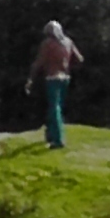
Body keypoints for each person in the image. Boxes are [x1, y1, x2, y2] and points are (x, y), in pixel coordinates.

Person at [28, 20, 84, 149]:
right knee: (56, 107)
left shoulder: (48, 43)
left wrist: (31, 78)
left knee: (54, 108)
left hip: (52, 77)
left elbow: (39, 62)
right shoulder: (68, 42)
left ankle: (58, 140)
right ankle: (50, 134)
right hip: (65, 78)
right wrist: (67, 65)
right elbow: (80, 59)